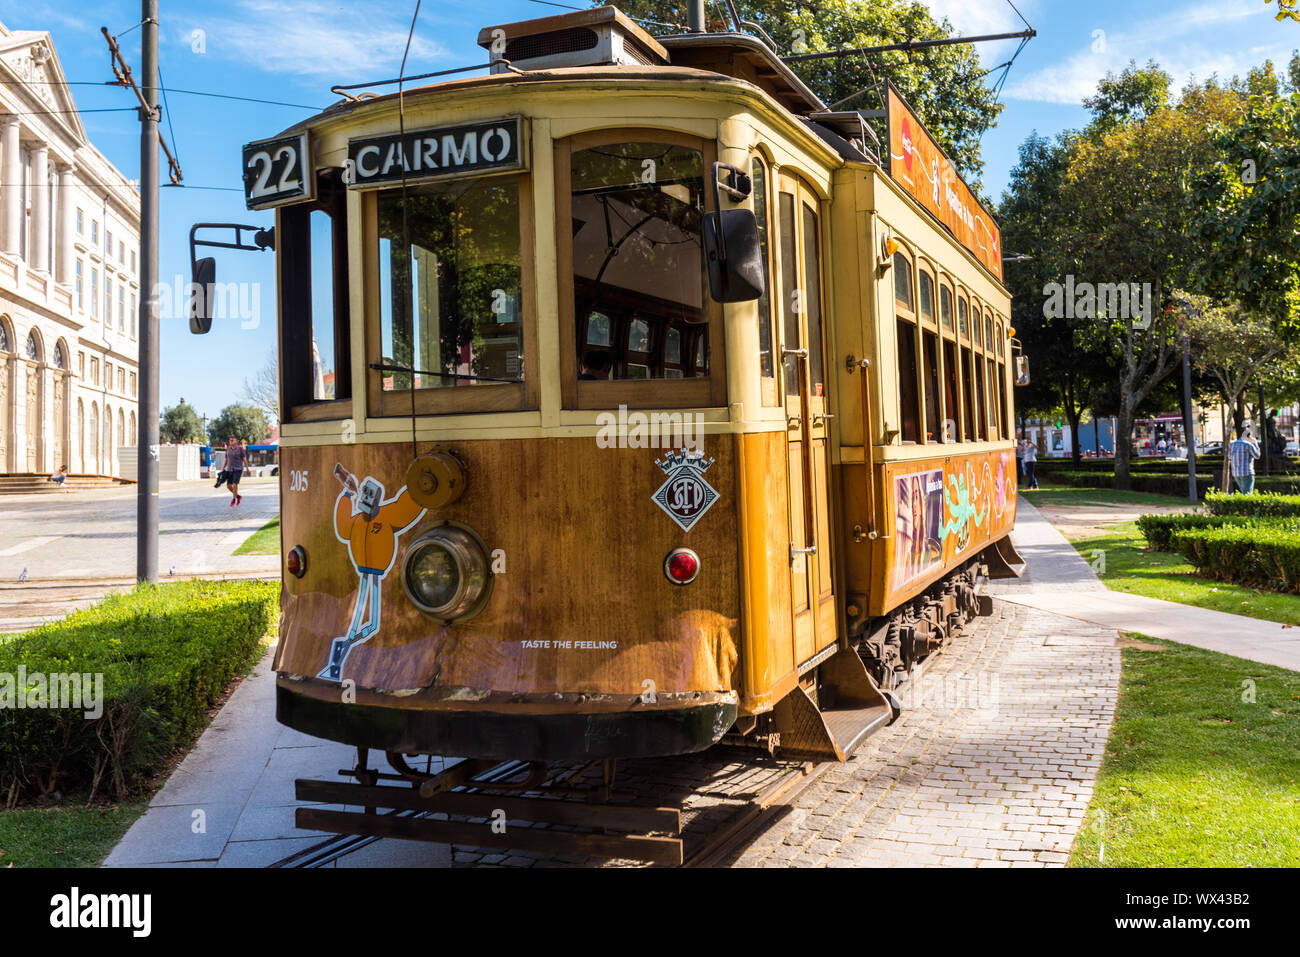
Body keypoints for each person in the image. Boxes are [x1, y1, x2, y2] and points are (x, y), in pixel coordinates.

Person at [1228, 426, 1260, 494]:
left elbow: (1229, 457)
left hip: (1236, 473)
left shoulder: (1232, 444)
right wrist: (1255, 443)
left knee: (1243, 492)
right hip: (1247, 472)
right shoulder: (1248, 445)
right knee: (1247, 494)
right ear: (1249, 436)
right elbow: (1257, 456)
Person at [225, 437, 247, 506]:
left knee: (235, 484)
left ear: (236, 441)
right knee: (229, 486)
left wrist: (247, 468)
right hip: (230, 469)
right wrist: (223, 467)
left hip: (238, 469)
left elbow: (244, 459)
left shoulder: (240, 449)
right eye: (230, 440)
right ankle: (238, 496)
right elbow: (226, 459)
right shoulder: (228, 449)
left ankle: (233, 500)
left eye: (232, 440)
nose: (230, 441)